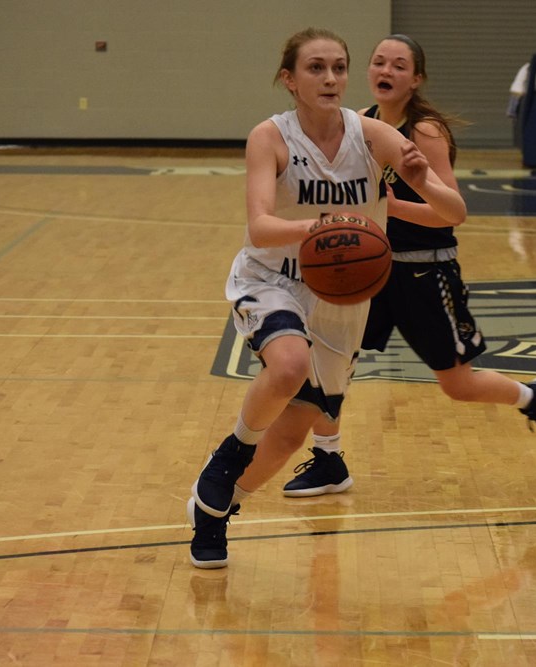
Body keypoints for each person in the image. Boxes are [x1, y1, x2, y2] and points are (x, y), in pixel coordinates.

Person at [186, 27, 467, 569]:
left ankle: (216, 509)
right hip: (272, 278)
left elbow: (454, 214)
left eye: (339, 67)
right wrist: (327, 224)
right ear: (289, 80)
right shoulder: (268, 137)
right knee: (288, 365)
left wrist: (422, 182)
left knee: (293, 435)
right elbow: (262, 227)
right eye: (316, 68)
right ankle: (229, 456)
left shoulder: (375, 136)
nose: (332, 78)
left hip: (341, 295)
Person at [281, 34, 536, 498]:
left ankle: (533, 397)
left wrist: (391, 207)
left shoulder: (426, 132)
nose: (387, 70)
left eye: (399, 65)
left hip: (424, 269)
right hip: (368, 269)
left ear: (416, 79)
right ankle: (329, 459)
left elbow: (449, 211)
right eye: (379, 62)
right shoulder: (361, 124)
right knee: (327, 361)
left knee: (457, 383)